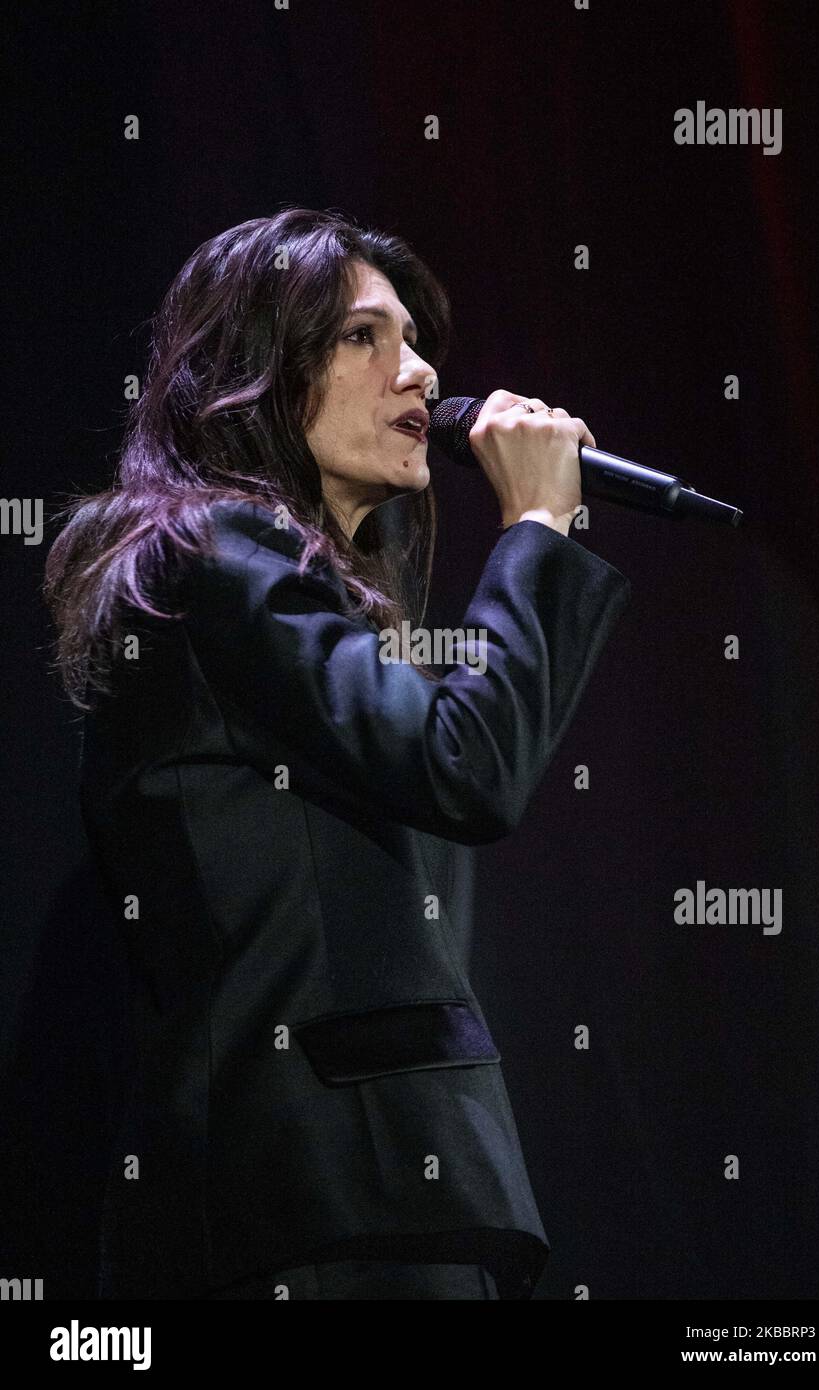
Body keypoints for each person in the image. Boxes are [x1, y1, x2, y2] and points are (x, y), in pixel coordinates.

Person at [43, 206, 631, 1300]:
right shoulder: (214, 547)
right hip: (323, 1201)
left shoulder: (320, 607)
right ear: (254, 370)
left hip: (371, 1198)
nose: (416, 374)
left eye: (413, 341)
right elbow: (467, 766)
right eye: (364, 336)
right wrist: (538, 531)